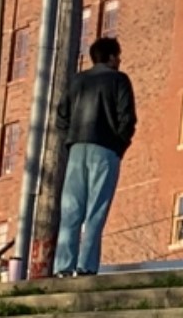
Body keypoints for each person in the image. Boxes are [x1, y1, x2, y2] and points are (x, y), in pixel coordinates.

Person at [53, 38, 137, 277]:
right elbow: (127, 118)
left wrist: (70, 140)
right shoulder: (119, 80)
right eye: (117, 55)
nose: (119, 60)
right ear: (111, 57)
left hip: (77, 147)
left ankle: (63, 266)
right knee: (95, 210)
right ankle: (86, 266)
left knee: (71, 210)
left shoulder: (77, 80)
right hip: (105, 149)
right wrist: (119, 145)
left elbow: (61, 117)